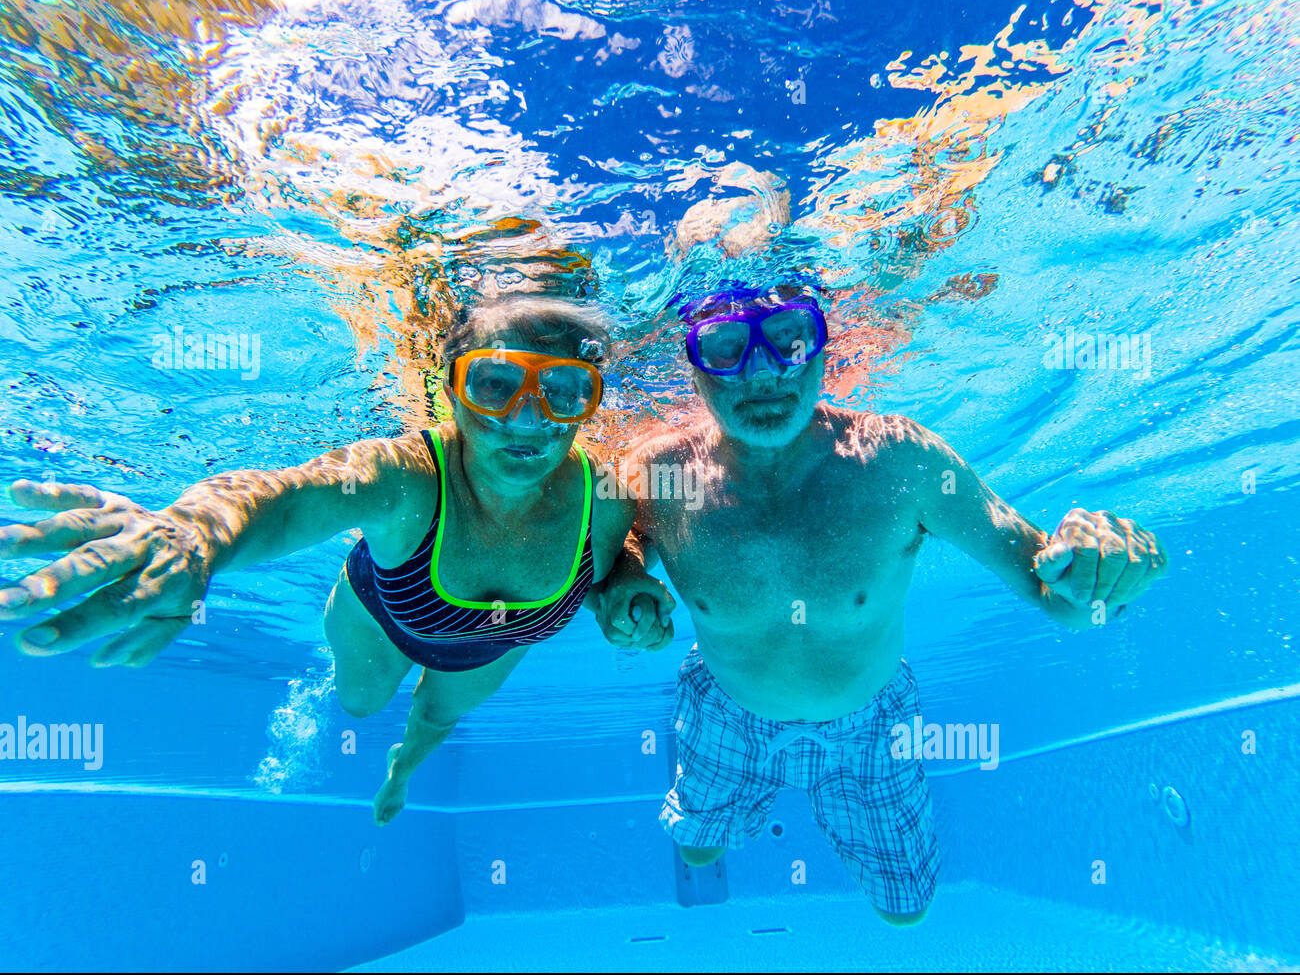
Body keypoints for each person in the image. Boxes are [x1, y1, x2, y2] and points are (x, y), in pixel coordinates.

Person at [592, 283, 1168, 925]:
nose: (761, 371)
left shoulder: (899, 461)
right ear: (692, 361)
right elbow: (620, 548)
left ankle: (839, 801)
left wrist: (1102, 575)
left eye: (788, 338)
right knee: (697, 851)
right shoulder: (655, 470)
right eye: (726, 346)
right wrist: (624, 581)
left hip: (870, 720)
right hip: (727, 711)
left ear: (822, 343)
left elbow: (1051, 592)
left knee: (905, 912)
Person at [0, 295, 673, 823]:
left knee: (437, 719)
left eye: (561, 389)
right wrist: (197, 534)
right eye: (495, 385)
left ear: (590, 403)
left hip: (493, 649)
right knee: (360, 700)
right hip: (383, 620)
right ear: (449, 389)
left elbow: (611, 560)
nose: (527, 420)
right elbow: (288, 497)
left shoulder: (607, 501)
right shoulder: (406, 479)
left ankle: (400, 772)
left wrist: (628, 581)